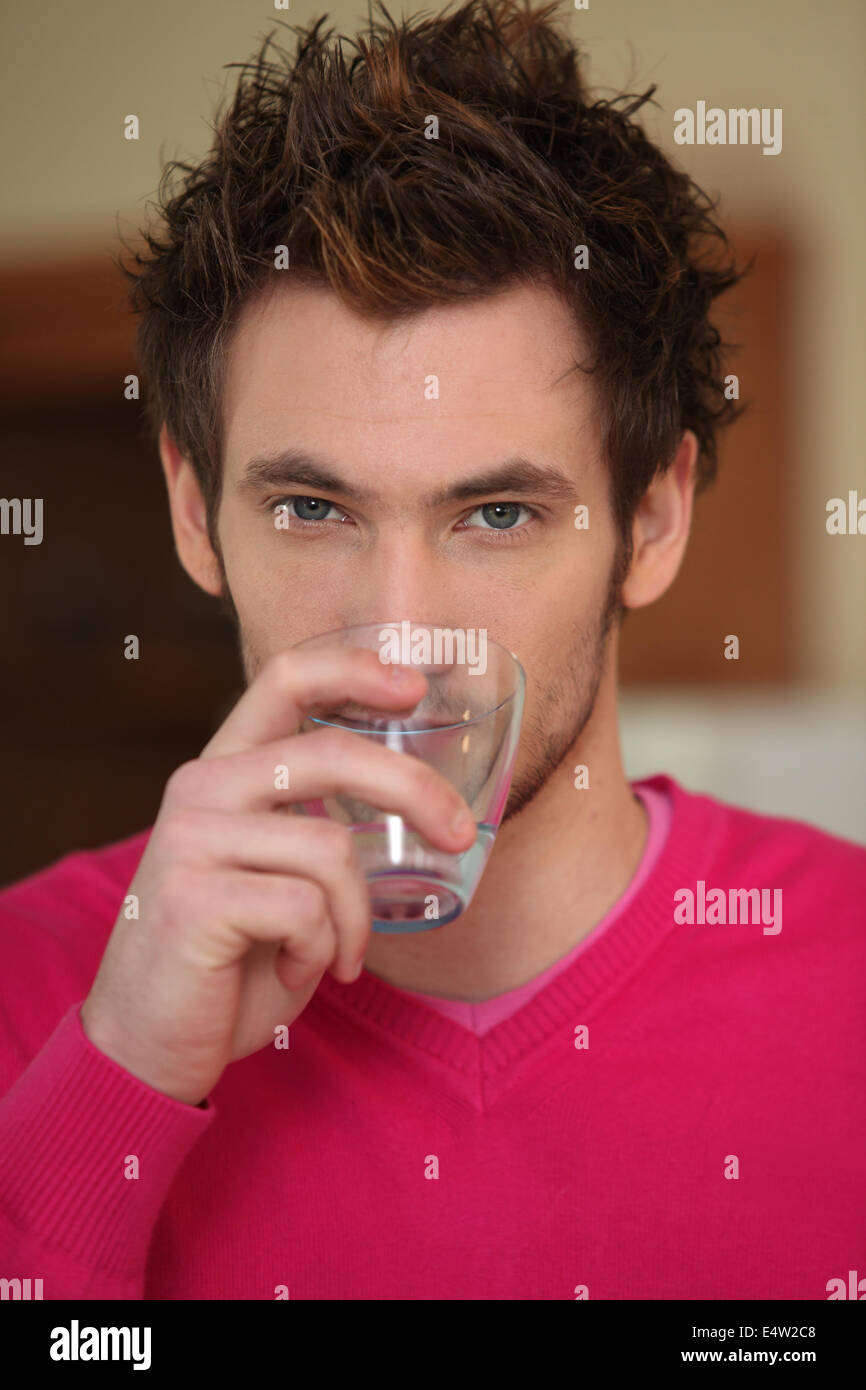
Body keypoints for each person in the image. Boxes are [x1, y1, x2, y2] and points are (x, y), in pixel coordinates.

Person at [1, 0, 863, 1301]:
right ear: (194, 509)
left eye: (496, 513)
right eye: (311, 509)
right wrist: (115, 1074)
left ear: (654, 519)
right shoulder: (33, 978)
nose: (396, 637)